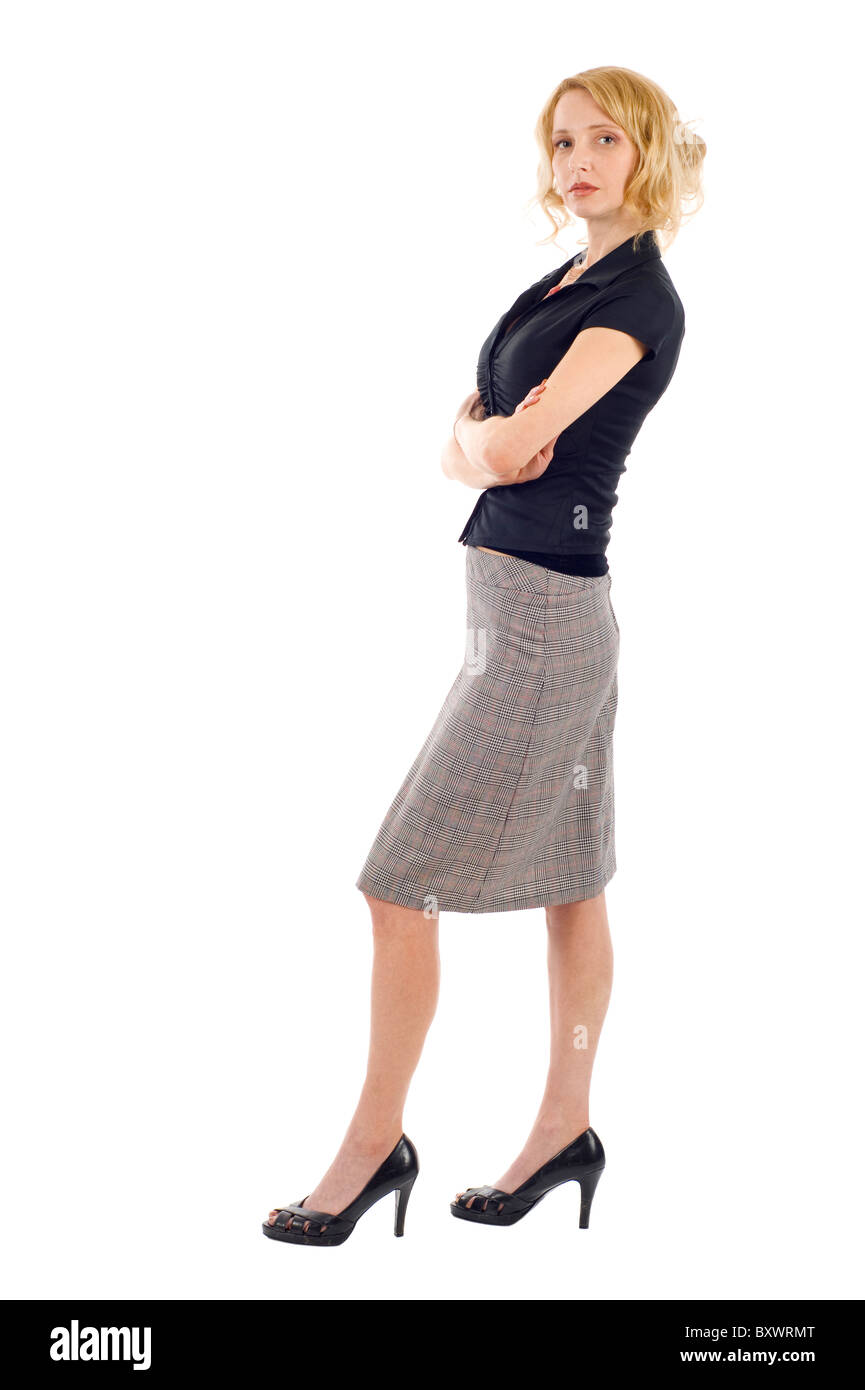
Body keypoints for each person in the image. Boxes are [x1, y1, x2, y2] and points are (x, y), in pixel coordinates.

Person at [263, 65, 705, 1246]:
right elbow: (477, 425)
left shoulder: (636, 302)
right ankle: (564, 1128)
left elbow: (508, 446)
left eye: (605, 139)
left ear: (649, 151)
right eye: (563, 139)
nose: (578, 158)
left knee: (398, 882)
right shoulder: (568, 279)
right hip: (528, 608)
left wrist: (468, 443)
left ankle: (371, 1148)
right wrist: (474, 439)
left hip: (541, 624)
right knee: (572, 878)